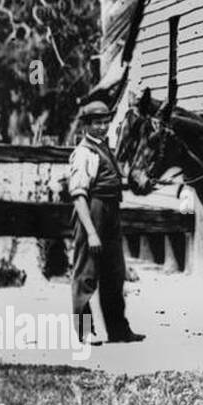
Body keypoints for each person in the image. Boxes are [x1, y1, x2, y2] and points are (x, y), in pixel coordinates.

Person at [68, 100, 143, 344]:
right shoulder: (84, 152)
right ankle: (85, 331)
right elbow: (79, 196)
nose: (102, 127)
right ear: (86, 125)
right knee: (86, 275)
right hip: (92, 213)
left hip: (111, 214)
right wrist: (91, 232)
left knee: (115, 274)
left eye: (104, 122)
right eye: (97, 123)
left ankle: (119, 330)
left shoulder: (105, 149)